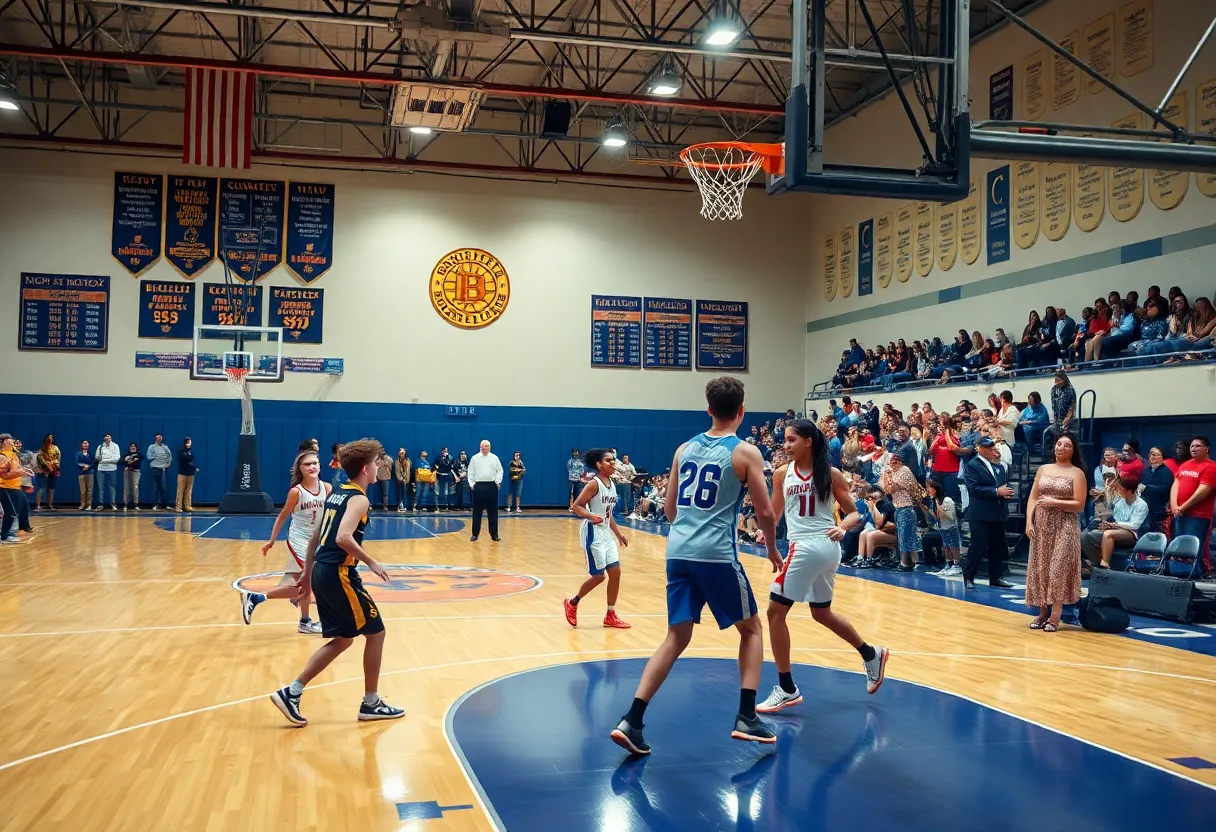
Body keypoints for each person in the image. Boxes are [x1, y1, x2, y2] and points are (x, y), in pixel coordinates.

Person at [610, 378, 782, 756]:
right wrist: (771, 549)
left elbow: (670, 510)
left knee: (676, 636)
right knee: (752, 630)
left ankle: (632, 720)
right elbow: (766, 511)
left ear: (708, 408)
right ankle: (747, 716)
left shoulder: (683, 449)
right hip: (716, 553)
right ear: (742, 410)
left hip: (678, 552)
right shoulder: (745, 452)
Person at [269, 439, 405, 726]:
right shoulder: (359, 499)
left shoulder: (336, 493)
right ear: (366, 469)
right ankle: (371, 702)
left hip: (321, 569)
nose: (379, 465)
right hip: (339, 573)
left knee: (343, 638)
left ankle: (291, 692)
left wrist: (307, 576)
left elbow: (316, 537)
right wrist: (371, 561)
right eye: (376, 462)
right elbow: (343, 537)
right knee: (376, 633)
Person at [757, 420, 888, 715]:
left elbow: (856, 513)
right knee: (821, 613)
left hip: (810, 546)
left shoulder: (830, 474)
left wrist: (842, 527)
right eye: (785, 441)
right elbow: (775, 513)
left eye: (792, 440)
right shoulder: (781, 475)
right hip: (825, 550)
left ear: (808, 442)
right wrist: (765, 534)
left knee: (775, 613)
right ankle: (871, 654)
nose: (786, 445)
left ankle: (787, 688)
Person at [242, 450, 331, 634]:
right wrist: (271, 540)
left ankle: (305, 621)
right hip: (298, 540)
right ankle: (257, 598)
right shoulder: (296, 492)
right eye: (307, 464)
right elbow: (282, 516)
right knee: (311, 582)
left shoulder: (327, 488)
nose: (312, 466)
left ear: (320, 465)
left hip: (316, 541)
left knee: (300, 584)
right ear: (300, 468)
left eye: (315, 463)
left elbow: (329, 517)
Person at [563, 448, 630, 629]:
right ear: (599, 465)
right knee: (599, 576)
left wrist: (618, 534)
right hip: (592, 532)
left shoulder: (612, 485)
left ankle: (610, 614)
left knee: (615, 573)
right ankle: (572, 602)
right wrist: (591, 516)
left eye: (613, 460)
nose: (613, 463)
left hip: (605, 532)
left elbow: (609, 514)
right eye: (608, 460)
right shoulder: (594, 484)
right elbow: (576, 506)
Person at [1025, 436, 1087, 631]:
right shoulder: (1043, 469)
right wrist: (1029, 521)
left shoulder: (1077, 473)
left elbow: (1079, 504)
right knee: (1041, 566)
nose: (1061, 447)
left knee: (1058, 568)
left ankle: (1055, 615)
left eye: (1067, 445)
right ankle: (1042, 612)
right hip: (1041, 524)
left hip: (1065, 526)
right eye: (1059, 444)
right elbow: (1033, 497)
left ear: (1073, 450)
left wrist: (1054, 502)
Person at [961, 437, 1014, 590]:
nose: (991, 449)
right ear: (978, 448)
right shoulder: (972, 466)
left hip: (997, 514)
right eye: (987, 447)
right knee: (977, 547)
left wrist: (1007, 491)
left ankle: (995, 577)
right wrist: (996, 491)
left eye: (992, 446)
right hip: (980, 514)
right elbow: (973, 489)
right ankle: (969, 576)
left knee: (997, 547)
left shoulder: (998, 467)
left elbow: (1003, 485)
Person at [1081, 475, 1148, 571]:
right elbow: (1114, 517)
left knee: (1108, 534)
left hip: (1132, 533)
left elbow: (1135, 525)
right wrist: (1107, 524)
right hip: (1116, 529)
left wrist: (1115, 525)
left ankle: (1106, 564)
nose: (1119, 491)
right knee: (1085, 536)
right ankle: (1096, 563)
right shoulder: (1119, 502)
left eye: (1121, 489)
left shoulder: (1141, 505)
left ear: (1129, 491)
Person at [1170, 436, 1216, 576]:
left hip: (1198, 515)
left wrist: (1182, 507)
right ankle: (1181, 572)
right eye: (1192, 446)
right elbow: (1175, 484)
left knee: (1196, 545)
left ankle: (1200, 573)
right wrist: (1174, 506)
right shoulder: (1185, 465)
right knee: (1179, 544)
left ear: (1206, 448)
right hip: (1179, 513)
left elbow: (1203, 491)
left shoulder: (1211, 467)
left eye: (1197, 446)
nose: (1193, 448)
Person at [0, 433, 35, 543]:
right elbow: (3, 474)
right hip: (5, 488)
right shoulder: (2, 457)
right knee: (10, 512)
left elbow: (18, 469)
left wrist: (25, 470)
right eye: (11, 440)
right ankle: (4, 536)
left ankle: (16, 530)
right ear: (5, 441)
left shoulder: (14, 455)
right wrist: (21, 472)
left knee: (18, 510)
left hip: (15, 487)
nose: (13, 442)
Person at [467, 440, 503, 542]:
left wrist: (497, 481)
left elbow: (500, 470)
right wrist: (472, 484)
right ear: (480, 447)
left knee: (493, 512)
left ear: (490, 447)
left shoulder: (494, 458)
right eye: (483, 446)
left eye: (486, 446)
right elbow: (470, 472)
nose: (484, 448)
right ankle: (475, 534)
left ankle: (494, 534)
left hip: (491, 486)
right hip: (478, 486)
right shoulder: (475, 458)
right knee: (477, 512)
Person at [925, 479, 962, 574]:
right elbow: (936, 518)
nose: (929, 491)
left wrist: (942, 511)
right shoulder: (934, 502)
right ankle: (949, 564)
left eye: (930, 489)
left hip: (951, 527)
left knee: (954, 545)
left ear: (936, 489)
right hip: (942, 527)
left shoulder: (947, 500)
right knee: (946, 546)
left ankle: (957, 565)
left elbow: (952, 517)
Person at [146, 433, 172, 510]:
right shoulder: (152, 447)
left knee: (163, 487)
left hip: (163, 469)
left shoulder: (165, 447)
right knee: (155, 487)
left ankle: (165, 504)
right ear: (155, 438)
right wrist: (156, 457)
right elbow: (149, 457)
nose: (159, 439)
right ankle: (155, 504)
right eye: (157, 437)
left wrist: (167, 465)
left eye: (160, 437)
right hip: (154, 468)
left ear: (162, 438)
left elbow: (169, 457)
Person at [94, 433, 120, 511]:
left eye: (109, 436)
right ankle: (101, 504)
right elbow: (97, 458)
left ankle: (113, 503)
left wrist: (105, 460)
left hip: (112, 469)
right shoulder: (100, 447)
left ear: (111, 438)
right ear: (104, 438)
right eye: (106, 436)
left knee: (112, 486)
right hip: (101, 469)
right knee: (100, 486)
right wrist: (101, 458)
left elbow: (116, 458)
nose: (107, 438)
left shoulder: (115, 446)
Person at [34, 434, 60, 511]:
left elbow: (58, 458)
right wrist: (47, 465)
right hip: (44, 470)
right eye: (49, 437)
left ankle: (50, 504)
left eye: (52, 437)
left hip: (53, 470)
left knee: (51, 488)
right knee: (42, 488)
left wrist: (56, 466)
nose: (50, 438)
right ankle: (38, 505)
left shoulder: (56, 448)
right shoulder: (42, 449)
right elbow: (40, 459)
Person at [175, 437, 197, 513]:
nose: (189, 443)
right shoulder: (181, 451)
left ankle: (187, 506)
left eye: (190, 442)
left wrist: (194, 468)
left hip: (190, 473)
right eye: (188, 442)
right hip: (182, 473)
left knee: (188, 490)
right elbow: (183, 460)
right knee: (180, 490)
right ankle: (178, 507)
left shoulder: (190, 452)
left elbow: (191, 460)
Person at [121, 442, 142, 511]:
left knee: (135, 487)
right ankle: (125, 504)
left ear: (136, 448)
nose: (132, 448)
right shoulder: (126, 455)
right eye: (131, 447)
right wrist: (125, 460)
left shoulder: (138, 454)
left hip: (136, 472)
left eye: (134, 446)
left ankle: (136, 504)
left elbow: (139, 459)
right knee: (126, 487)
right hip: (127, 472)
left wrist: (131, 462)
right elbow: (123, 462)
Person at [76, 439, 93, 511]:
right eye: (83, 443)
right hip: (81, 473)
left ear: (88, 445)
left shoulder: (91, 454)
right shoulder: (78, 453)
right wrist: (83, 466)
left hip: (90, 473)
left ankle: (89, 505)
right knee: (82, 490)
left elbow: (93, 462)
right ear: (81, 445)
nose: (85, 445)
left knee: (89, 489)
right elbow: (76, 462)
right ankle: (82, 504)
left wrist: (88, 467)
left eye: (86, 443)